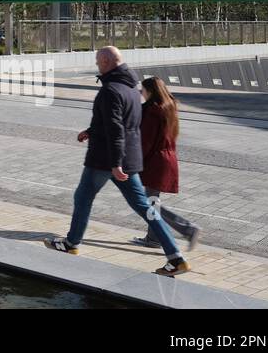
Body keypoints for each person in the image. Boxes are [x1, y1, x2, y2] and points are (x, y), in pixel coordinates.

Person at [43, 46, 191, 276]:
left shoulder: (110, 90)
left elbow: (115, 129)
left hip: (105, 160)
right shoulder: (132, 89)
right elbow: (123, 123)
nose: (95, 65)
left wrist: (115, 162)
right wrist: (92, 130)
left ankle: (71, 243)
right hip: (127, 159)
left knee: (82, 197)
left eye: (97, 61)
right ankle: (176, 257)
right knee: (145, 207)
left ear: (105, 62)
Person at [133, 76, 200, 251]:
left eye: (143, 90)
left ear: (151, 91)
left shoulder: (152, 111)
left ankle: (188, 229)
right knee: (151, 201)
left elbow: (145, 142)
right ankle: (153, 238)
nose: (141, 92)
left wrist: (134, 161)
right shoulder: (169, 107)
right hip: (166, 158)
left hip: (155, 161)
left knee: (149, 203)